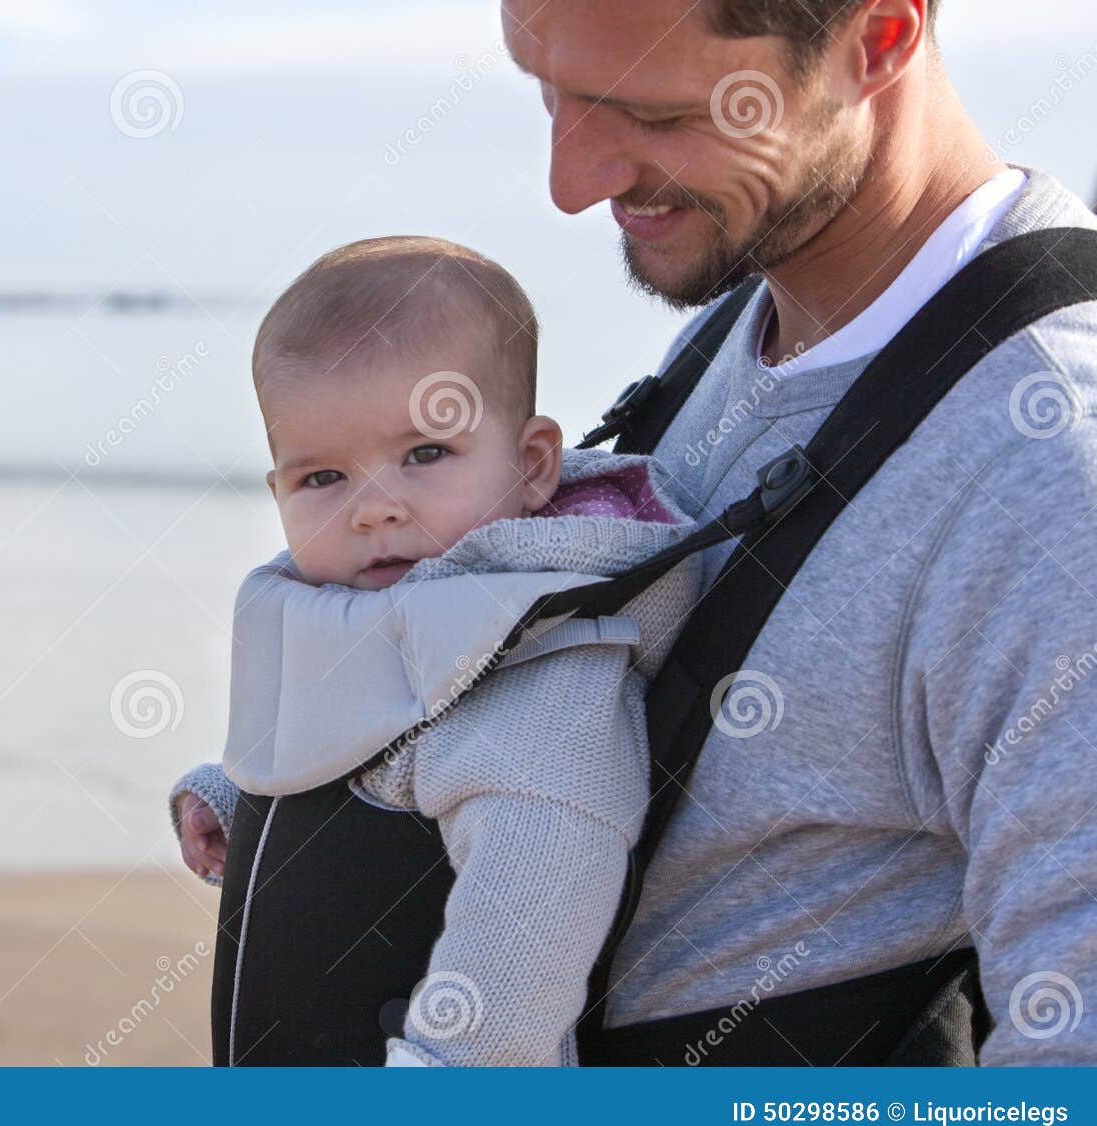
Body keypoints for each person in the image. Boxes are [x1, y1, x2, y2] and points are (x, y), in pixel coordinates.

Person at [180, 0, 1097, 1064]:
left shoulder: (1047, 477)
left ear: (878, 38)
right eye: (552, 93)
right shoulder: (751, 315)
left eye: (654, 114)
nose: (571, 183)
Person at [168, 235, 703, 1064]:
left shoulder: (538, 663)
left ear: (531, 464)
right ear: (277, 490)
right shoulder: (384, 606)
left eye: (424, 454)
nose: (373, 508)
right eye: (322, 478)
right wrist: (236, 800)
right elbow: (359, 739)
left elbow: (537, 900)